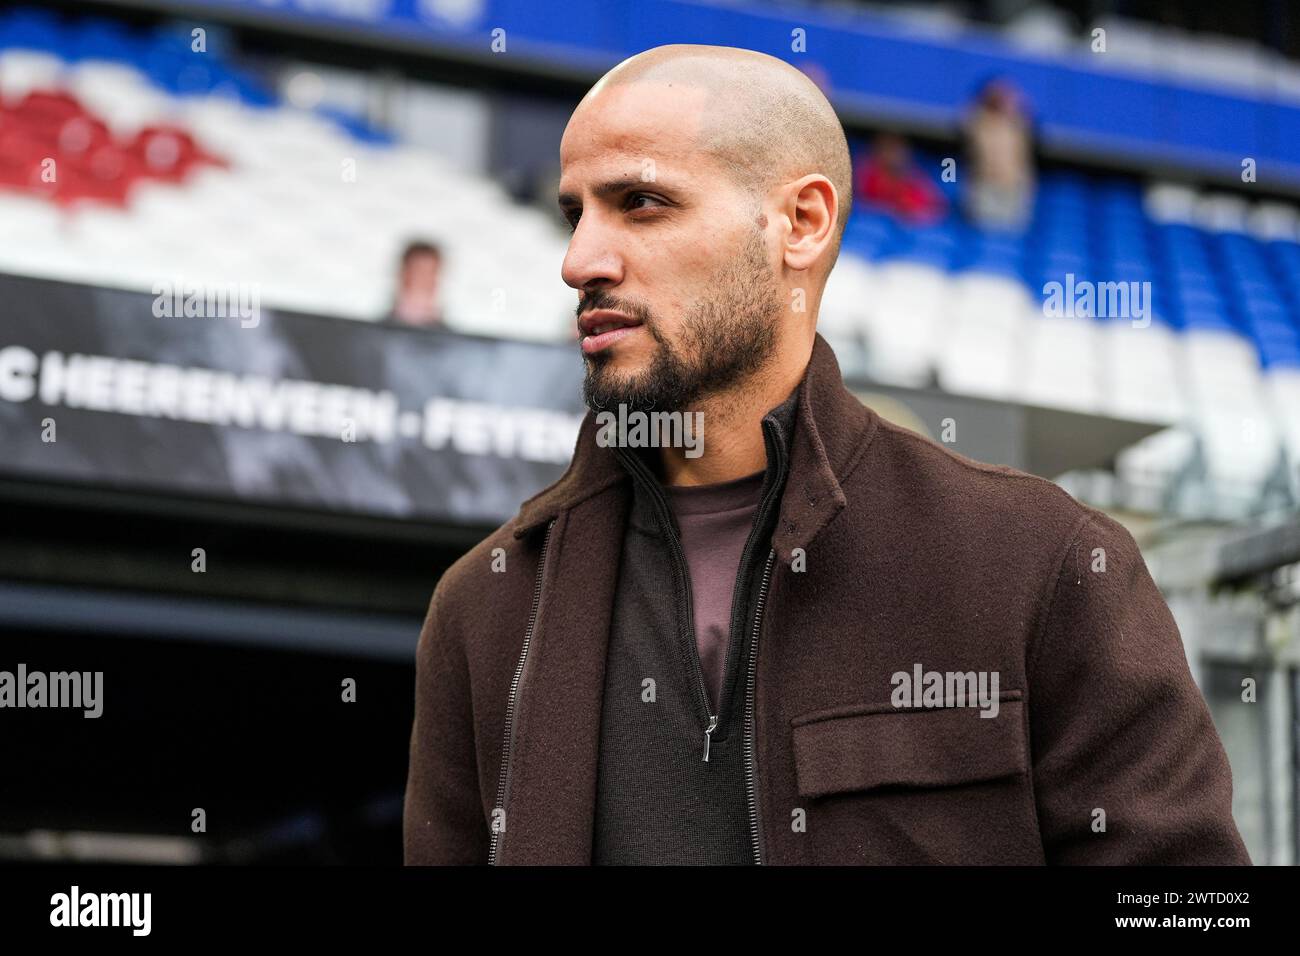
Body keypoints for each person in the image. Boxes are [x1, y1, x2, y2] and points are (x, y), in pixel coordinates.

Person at [403, 44, 1250, 865]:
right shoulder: (485, 609)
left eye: (642, 203)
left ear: (801, 225)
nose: (579, 260)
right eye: (574, 212)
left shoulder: (1046, 565)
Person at [963, 78, 1035, 231]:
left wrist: (1015, 102)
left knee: (1011, 234)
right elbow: (966, 118)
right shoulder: (979, 122)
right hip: (985, 186)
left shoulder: (1017, 126)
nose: (1003, 99)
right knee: (982, 229)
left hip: (1012, 189)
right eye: (999, 95)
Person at [855, 131, 947, 224]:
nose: (891, 155)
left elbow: (934, 211)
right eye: (887, 149)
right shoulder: (865, 175)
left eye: (895, 150)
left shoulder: (915, 182)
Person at [387, 239, 445, 327]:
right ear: (404, 275)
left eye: (431, 274)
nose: (424, 281)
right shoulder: (373, 332)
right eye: (419, 272)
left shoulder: (450, 337)